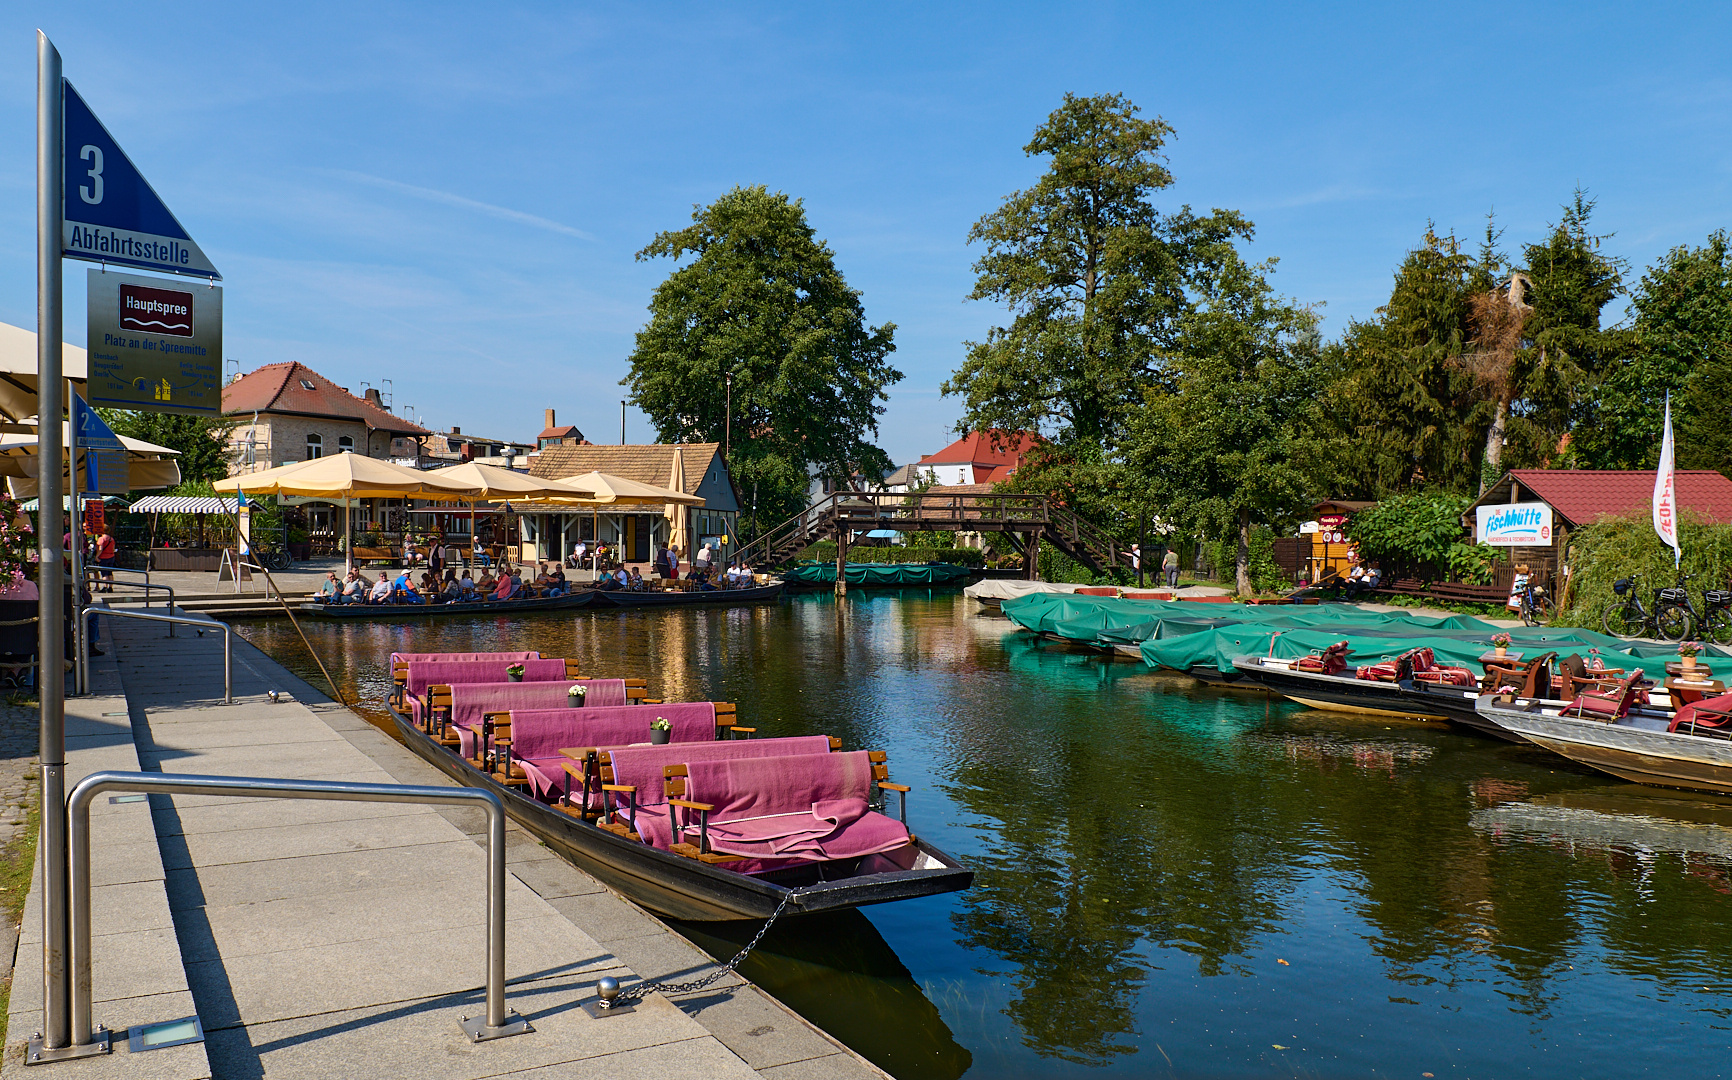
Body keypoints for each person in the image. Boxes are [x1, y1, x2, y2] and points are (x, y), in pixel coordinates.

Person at [95, 525, 118, 591]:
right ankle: (110, 587)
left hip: (103, 557)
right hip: (111, 556)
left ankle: (105, 587)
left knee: (104, 573)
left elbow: (100, 549)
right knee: (110, 572)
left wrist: (97, 556)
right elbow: (113, 549)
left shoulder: (101, 539)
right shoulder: (111, 539)